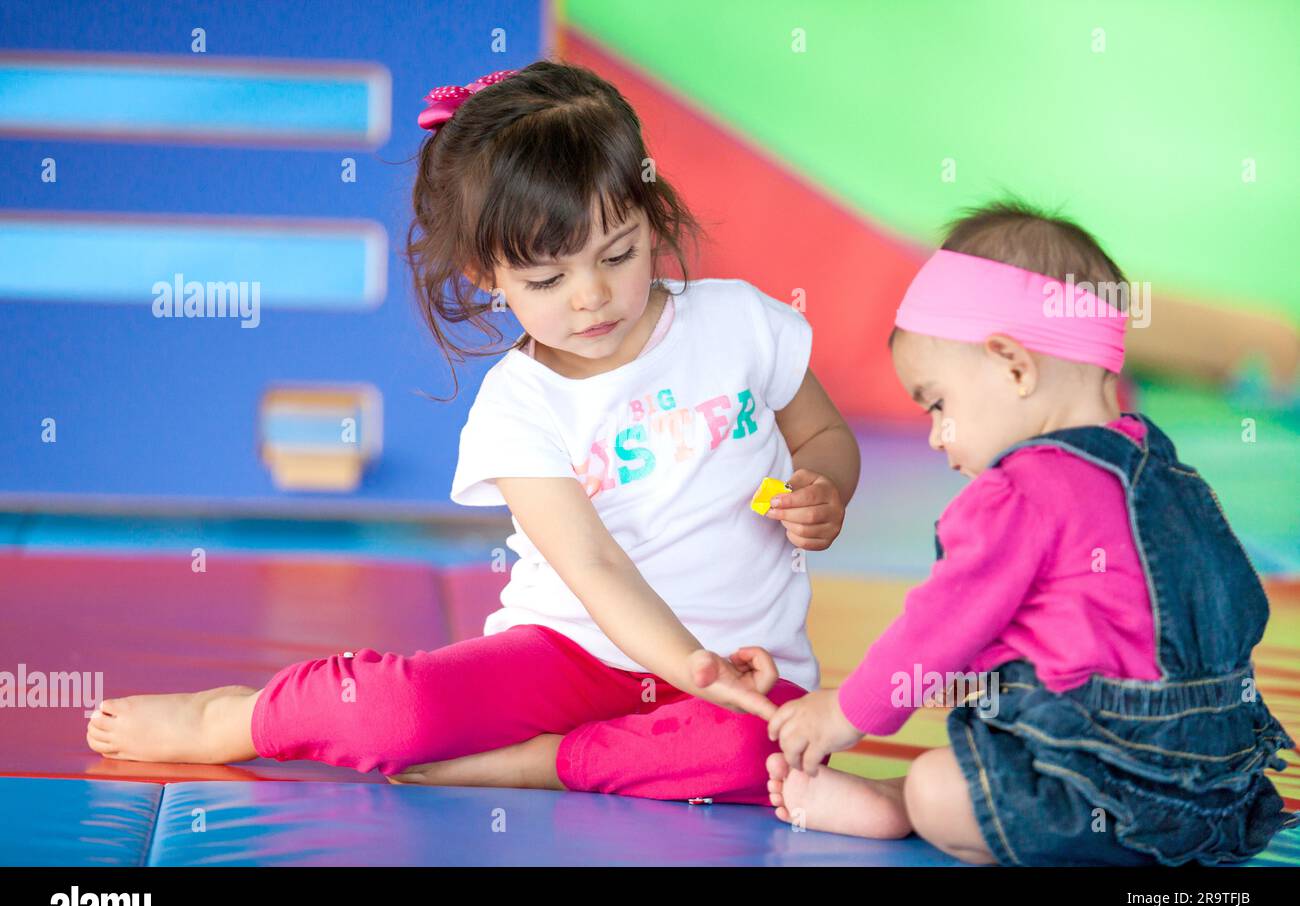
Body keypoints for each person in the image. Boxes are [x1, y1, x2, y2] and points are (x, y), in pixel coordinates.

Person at [85, 60, 863, 805]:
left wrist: (825, 487)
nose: (591, 296)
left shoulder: (739, 323)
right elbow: (594, 566)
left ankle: (542, 764)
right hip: (569, 655)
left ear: (651, 214)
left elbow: (822, 432)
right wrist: (691, 665)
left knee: (767, 754)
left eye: (618, 254)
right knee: (398, 714)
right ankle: (239, 717)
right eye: (547, 279)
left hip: (746, 672)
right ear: (487, 276)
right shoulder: (517, 405)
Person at [763, 200, 1300, 865]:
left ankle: (911, 805)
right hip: (1218, 800)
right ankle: (926, 804)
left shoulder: (1018, 489)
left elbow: (937, 628)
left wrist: (845, 712)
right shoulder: (1174, 477)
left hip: (1090, 793)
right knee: (991, 738)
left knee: (938, 783)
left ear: (1014, 366)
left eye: (937, 403)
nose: (935, 437)